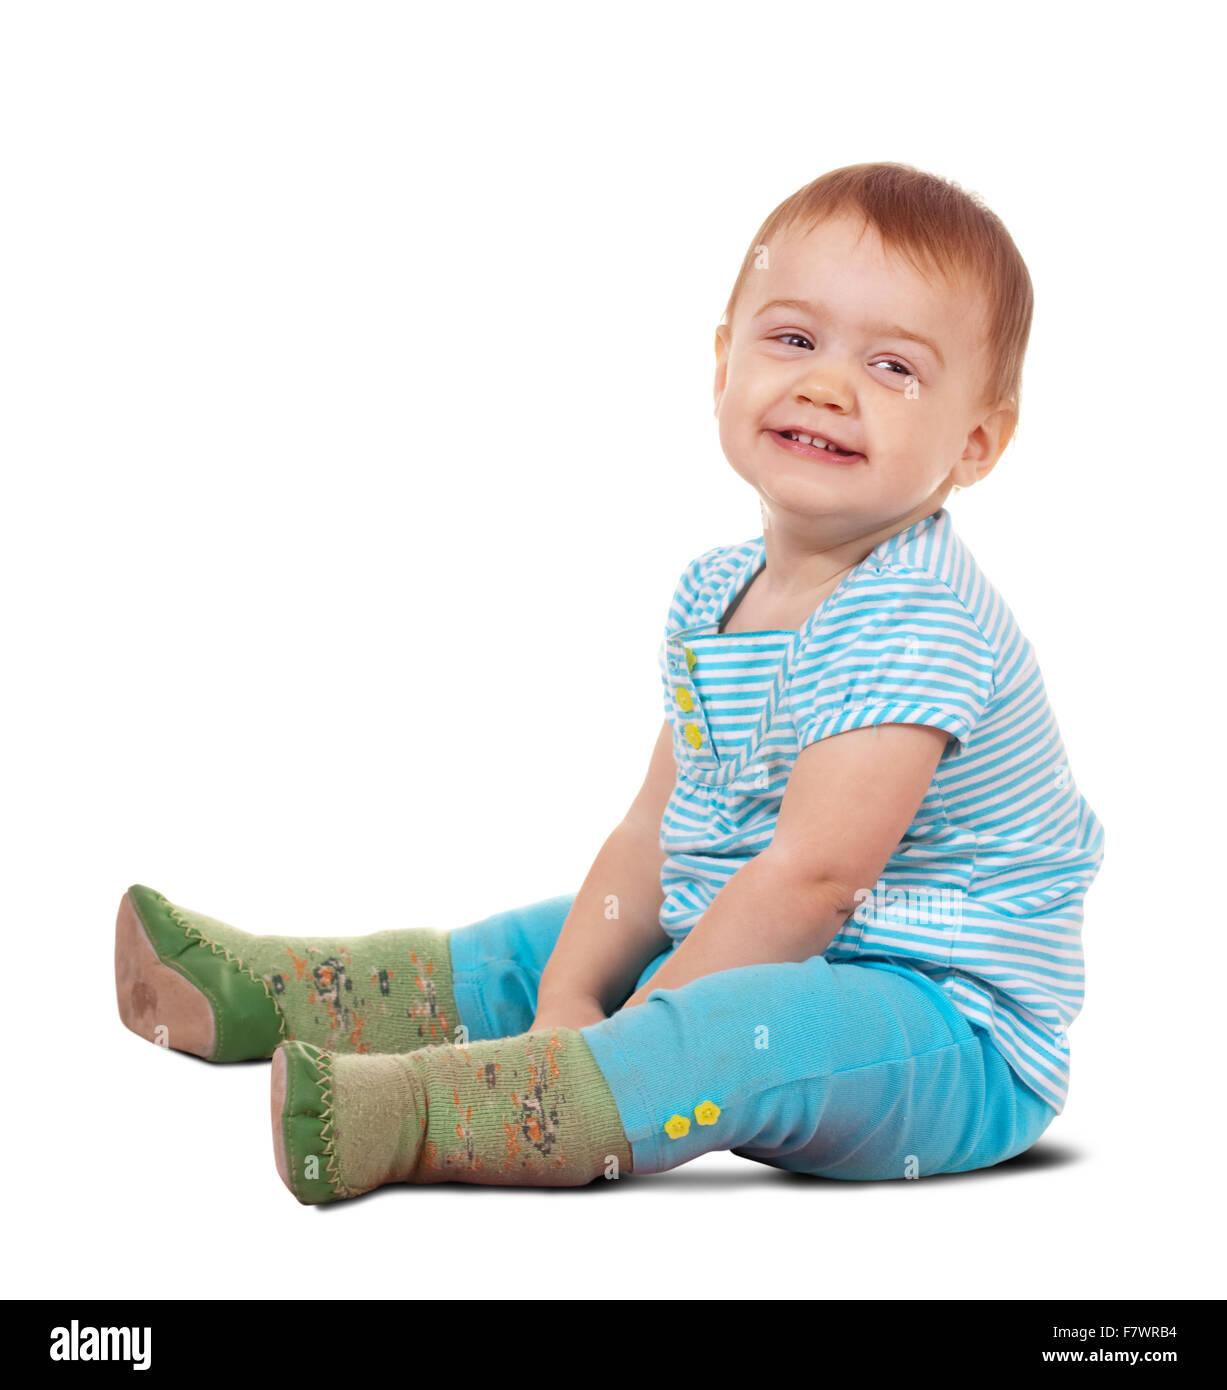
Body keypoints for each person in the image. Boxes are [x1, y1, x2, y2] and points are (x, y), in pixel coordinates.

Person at [115, 161, 1106, 1202]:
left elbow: (814, 881)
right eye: (794, 340)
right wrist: (568, 994)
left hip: (945, 1028)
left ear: (979, 440)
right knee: (547, 937)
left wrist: (627, 1031)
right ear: (723, 365)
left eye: (895, 367)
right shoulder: (715, 591)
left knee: (730, 1028)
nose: (827, 384)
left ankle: (422, 1111)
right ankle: (270, 993)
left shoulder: (918, 612)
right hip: (772, 939)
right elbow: (653, 832)